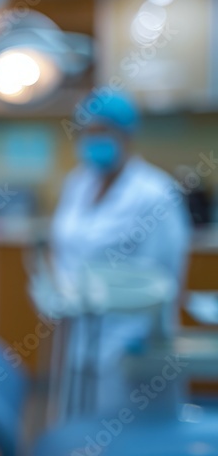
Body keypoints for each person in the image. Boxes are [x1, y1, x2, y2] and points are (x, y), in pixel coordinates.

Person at [48, 90, 191, 416]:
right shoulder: (78, 183)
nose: (93, 139)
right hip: (80, 334)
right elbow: (65, 246)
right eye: (87, 132)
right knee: (79, 427)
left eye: (102, 131)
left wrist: (144, 336)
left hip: (131, 338)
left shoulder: (155, 194)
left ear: (126, 135)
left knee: (129, 431)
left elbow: (164, 279)